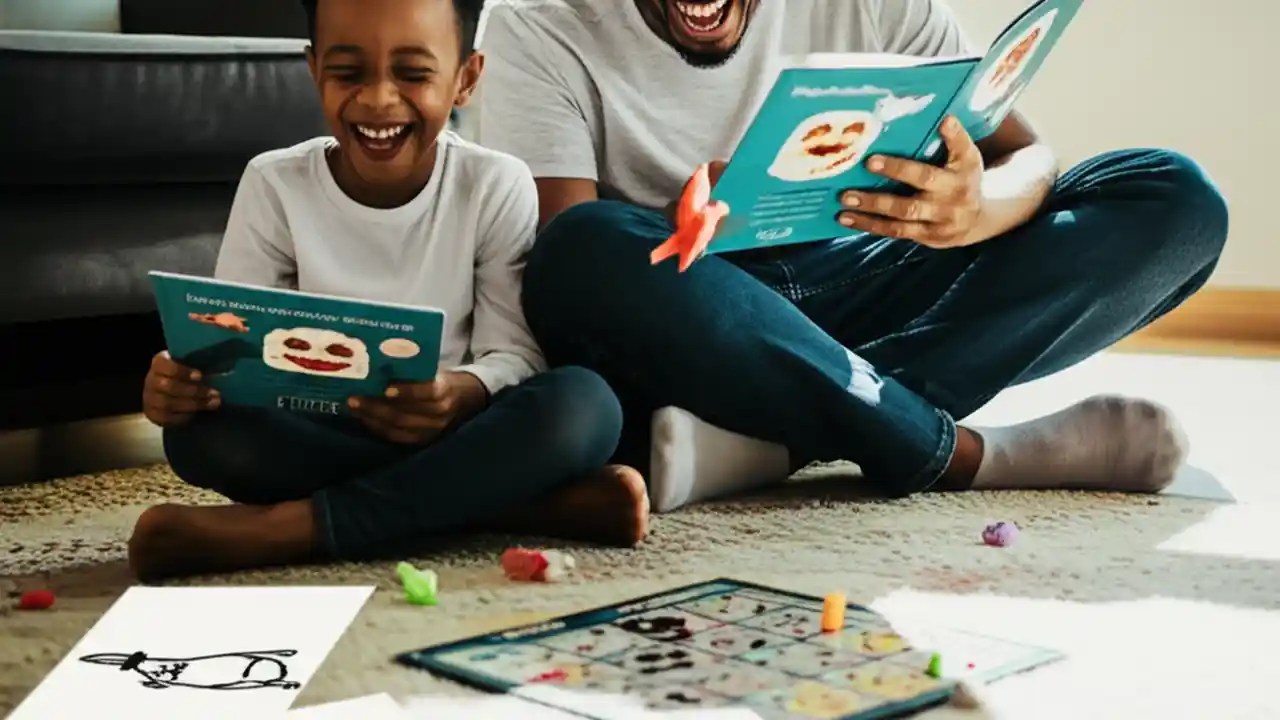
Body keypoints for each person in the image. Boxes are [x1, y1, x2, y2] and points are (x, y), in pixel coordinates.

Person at [475, 0, 1229, 512]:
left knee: (1172, 199)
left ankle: (774, 441)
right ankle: (961, 452)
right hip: (696, 313)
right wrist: (678, 219)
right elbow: (564, 260)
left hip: (857, 269)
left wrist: (976, 208)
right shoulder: (535, 21)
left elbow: (1027, 155)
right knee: (581, 250)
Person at [128, 0, 650, 582]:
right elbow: (233, 351)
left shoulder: (495, 183)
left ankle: (294, 528)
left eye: (413, 73)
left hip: (457, 425)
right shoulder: (274, 183)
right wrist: (185, 382)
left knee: (585, 404)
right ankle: (521, 505)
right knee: (200, 436)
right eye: (349, 73)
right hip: (324, 430)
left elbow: (516, 356)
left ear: (466, 79)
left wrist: (459, 391)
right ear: (314, 70)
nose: (378, 100)